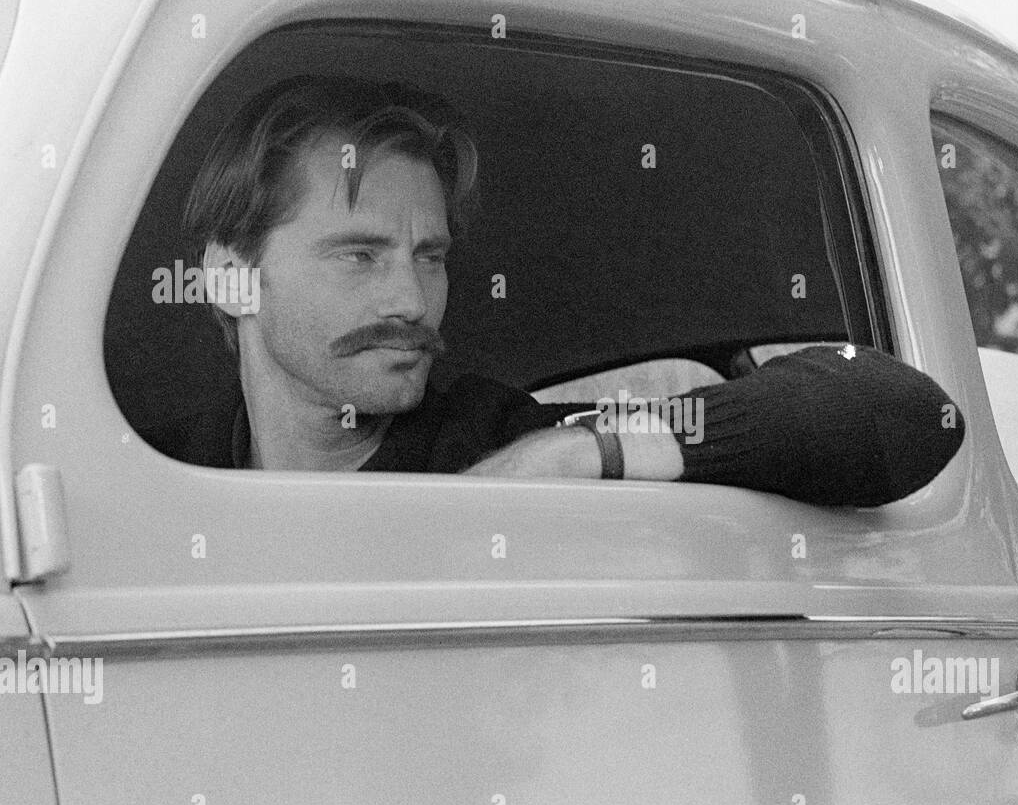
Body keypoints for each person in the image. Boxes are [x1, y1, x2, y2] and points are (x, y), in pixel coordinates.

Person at [149, 75, 964, 507]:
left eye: (430, 255)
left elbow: (903, 411)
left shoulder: (489, 437)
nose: (412, 297)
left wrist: (578, 454)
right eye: (359, 255)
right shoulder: (159, 470)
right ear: (230, 277)